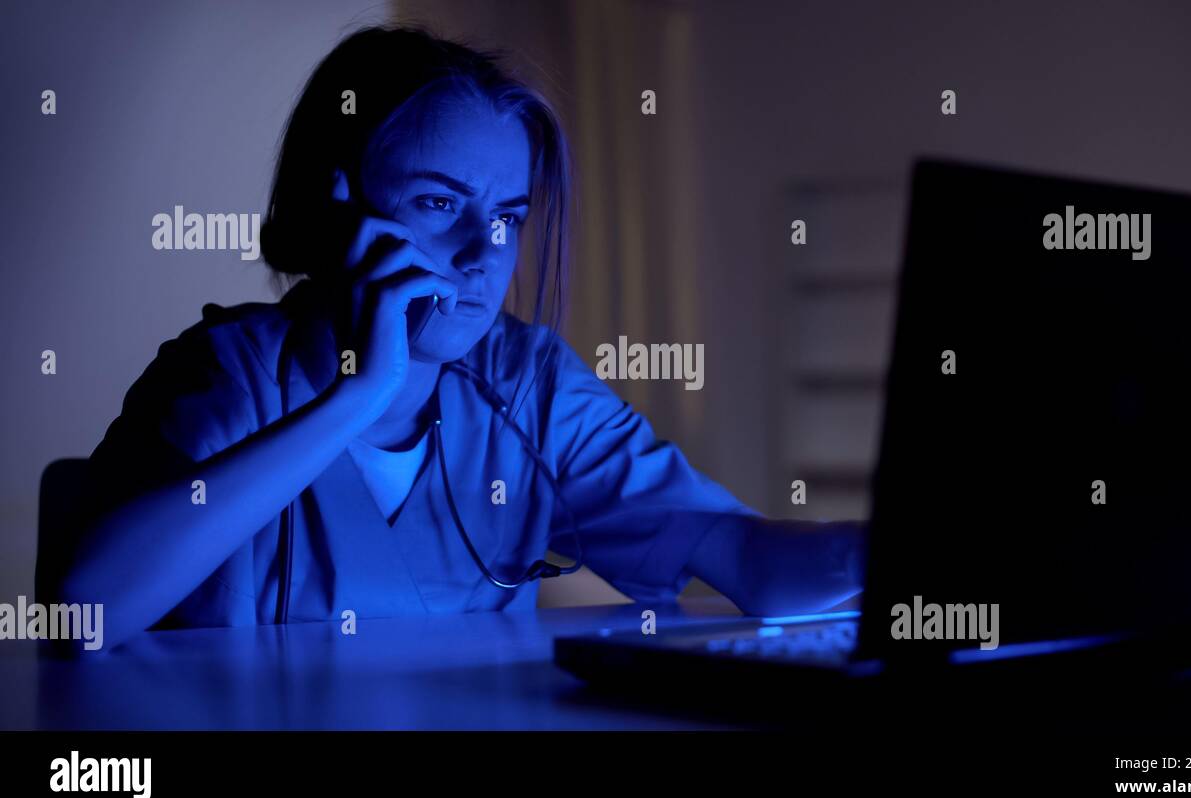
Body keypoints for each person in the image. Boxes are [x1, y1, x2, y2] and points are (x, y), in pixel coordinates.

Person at [58, 27, 864, 650]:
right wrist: (358, 396)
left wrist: (917, 553)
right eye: (440, 205)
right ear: (337, 206)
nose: (484, 254)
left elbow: (746, 561)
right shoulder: (231, 377)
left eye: (508, 217)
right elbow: (77, 615)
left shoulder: (530, 385)